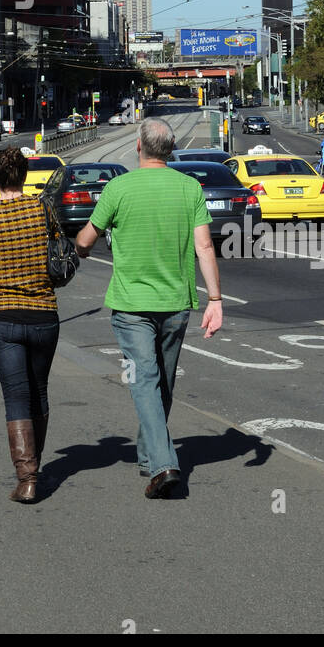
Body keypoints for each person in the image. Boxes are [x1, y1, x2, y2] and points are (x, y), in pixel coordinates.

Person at [75, 118, 223, 500]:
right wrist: (215, 300)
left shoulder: (118, 187)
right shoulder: (189, 188)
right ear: (171, 150)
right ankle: (153, 456)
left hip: (131, 305)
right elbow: (205, 247)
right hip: (176, 304)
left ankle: (162, 464)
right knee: (162, 383)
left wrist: (77, 249)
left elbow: (86, 239)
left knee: (146, 383)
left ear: (138, 148)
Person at [0, 147, 62, 504]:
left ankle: (27, 480)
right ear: (24, 176)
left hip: (3, 317)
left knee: (15, 397)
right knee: (39, 390)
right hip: (43, 315)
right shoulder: (43, 209)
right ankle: (35, 465)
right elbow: (55, 250)